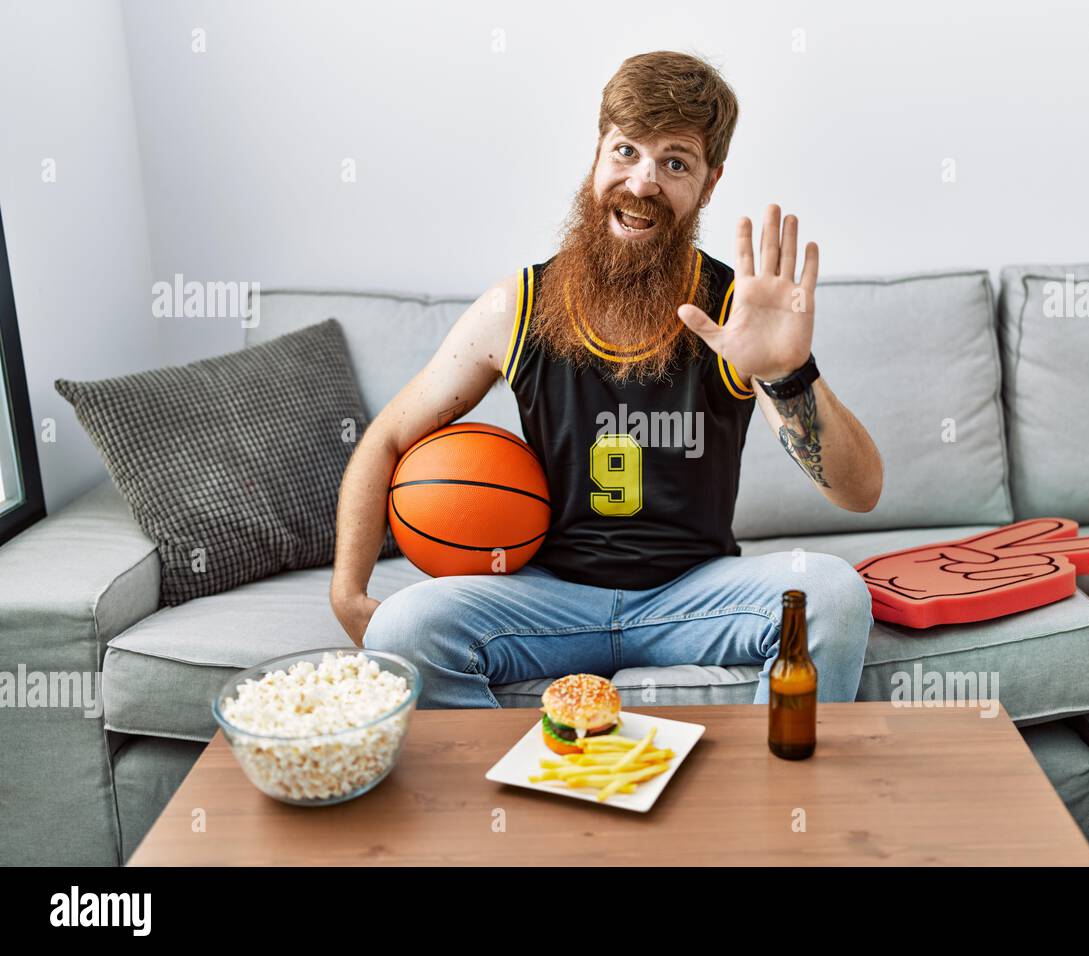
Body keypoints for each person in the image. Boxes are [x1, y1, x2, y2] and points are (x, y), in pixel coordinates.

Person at [331, 51, 884, 708]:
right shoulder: (518, 307)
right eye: (626, 151)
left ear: (710, 184)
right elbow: (386, 440)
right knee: (406, 624)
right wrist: (348, 591)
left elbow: (861, 492)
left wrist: (790, 373)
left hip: (694, 595)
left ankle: (772, 800)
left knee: (833, 595)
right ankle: (517, 793)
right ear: (597, 155)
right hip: (548, 598)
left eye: (675, 162)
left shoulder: (734, 313)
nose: (643, 182)